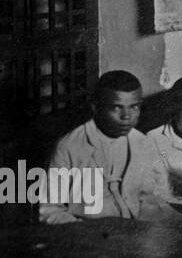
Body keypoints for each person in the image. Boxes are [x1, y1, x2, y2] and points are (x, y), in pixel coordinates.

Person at [39, 71, 167, 224]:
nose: (127, 116)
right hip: (87, 236)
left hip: (136, 233)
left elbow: (156, 196)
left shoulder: (143, 142)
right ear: (96, 107)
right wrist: (82, 231)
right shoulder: (69, 146)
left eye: (134, 107)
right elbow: (49, 209)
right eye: (116, 108)